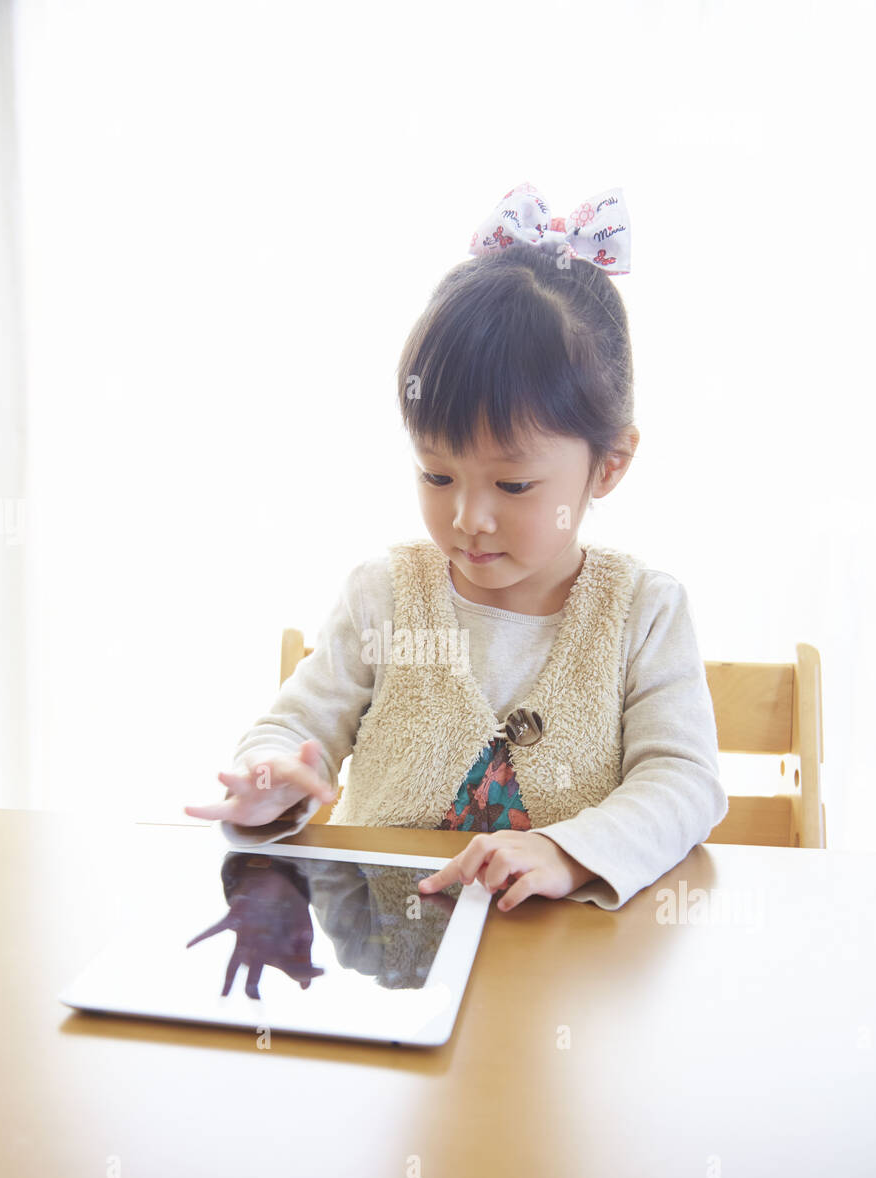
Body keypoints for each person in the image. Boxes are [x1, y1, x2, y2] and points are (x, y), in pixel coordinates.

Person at [184, 183, 728, 912]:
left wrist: (568, 850)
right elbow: (294, 726)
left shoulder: (644, 613)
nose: (469, 517)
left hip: (561, 966)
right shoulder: (384, 593)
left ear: (608, 465)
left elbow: (685, 783)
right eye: (437, 473)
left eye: (513, 485)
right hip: (386, 959)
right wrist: (271, 776)